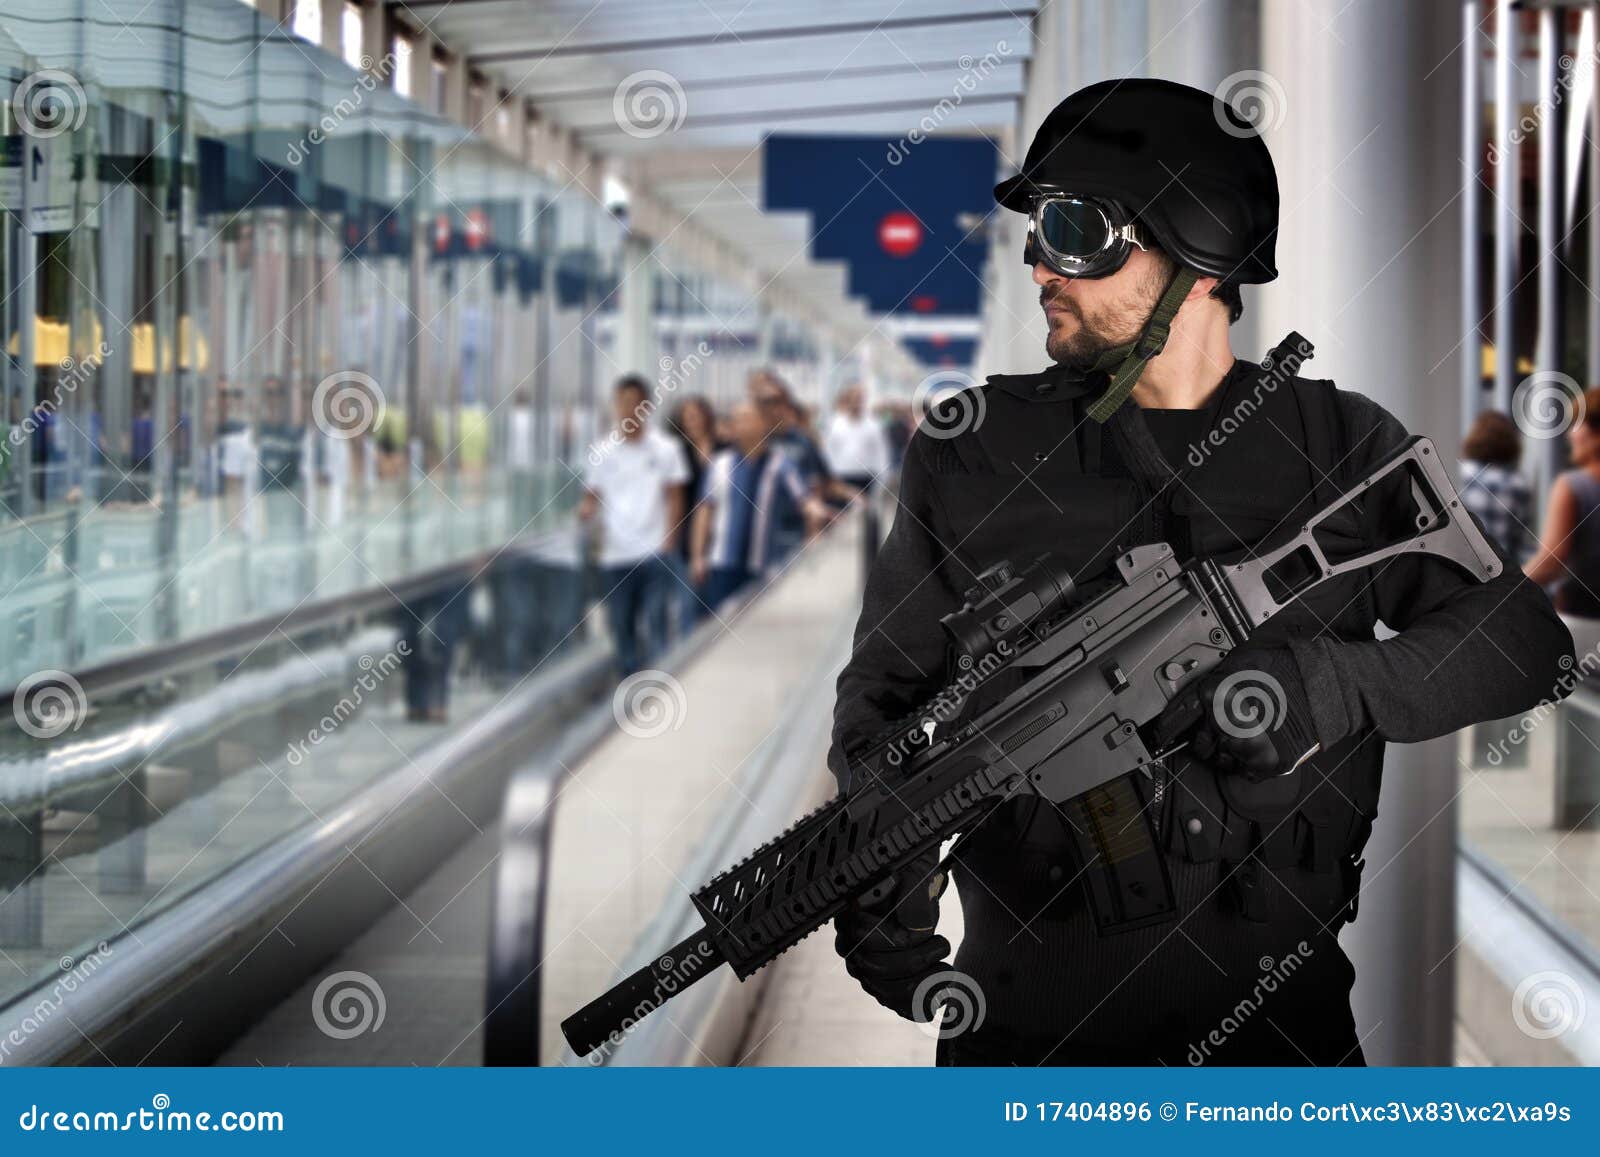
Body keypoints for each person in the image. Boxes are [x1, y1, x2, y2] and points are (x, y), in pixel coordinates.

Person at [828, 78, 1573, 1067]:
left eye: (1070, 228)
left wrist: (1335, 685)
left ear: (1199, 245)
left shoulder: (1338, 447)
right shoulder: (970, 451)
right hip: (1025, 1040)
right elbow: (881, 699)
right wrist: (875, 850)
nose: (1037, 263)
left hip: (1283, 1043)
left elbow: (1524, 642)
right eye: (1036, 230)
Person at [579, 375, 689, 677]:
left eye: (635, 403)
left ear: (646, 406)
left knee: (655, 621)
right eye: (622, 403)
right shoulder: (602, 450)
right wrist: (585, 514)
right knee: (620, 624)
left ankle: (659, 685)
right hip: (616, 553)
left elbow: (676, 496)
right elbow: (592, 496)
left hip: (654, 551)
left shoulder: (666, 449)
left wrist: (669, 539)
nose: (628, 409)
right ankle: (630, 683)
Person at [689, 400, 826, 610]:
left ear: (764, 424)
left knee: (756, 629)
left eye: (747, 418)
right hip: (722, 563)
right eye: (737, 420)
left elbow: (805, 499)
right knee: (719, 627)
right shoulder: (719, 464)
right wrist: (698, 556)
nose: (741, 424)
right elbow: (705, 511)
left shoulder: (781, 464)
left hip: (762, 566)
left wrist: (814, 524)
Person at [1526, 387, 1600, 618]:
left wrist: (1505, 589)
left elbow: (1551, 561)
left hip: (1584, 619)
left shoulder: (1573, 486)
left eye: (1577, 424)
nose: (1569, 435)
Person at [667, 395, 725, 625]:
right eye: (686, 417)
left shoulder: (724, 448)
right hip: (687, 533)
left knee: (715, 600)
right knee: (688, 598)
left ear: (706, 417)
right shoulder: (677, 452)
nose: (692, 421)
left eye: (696, 416)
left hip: (719, 530)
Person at [1458, 410, 1533, 562]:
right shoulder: (1519, 485)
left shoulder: (1464, 475)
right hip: (1504, 569)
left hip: (1466, 567)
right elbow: (1521, 538)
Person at [822, 383, 890, 498]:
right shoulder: (835, 423)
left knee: (867, 512)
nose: (856, 402)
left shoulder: (874, 424)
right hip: (842, 476)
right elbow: (829, 451)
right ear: (848, 400)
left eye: (859, 399)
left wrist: (883, 477)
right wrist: (829, 476)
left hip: (867, 477)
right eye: (853, 399)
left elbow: (881, 452)